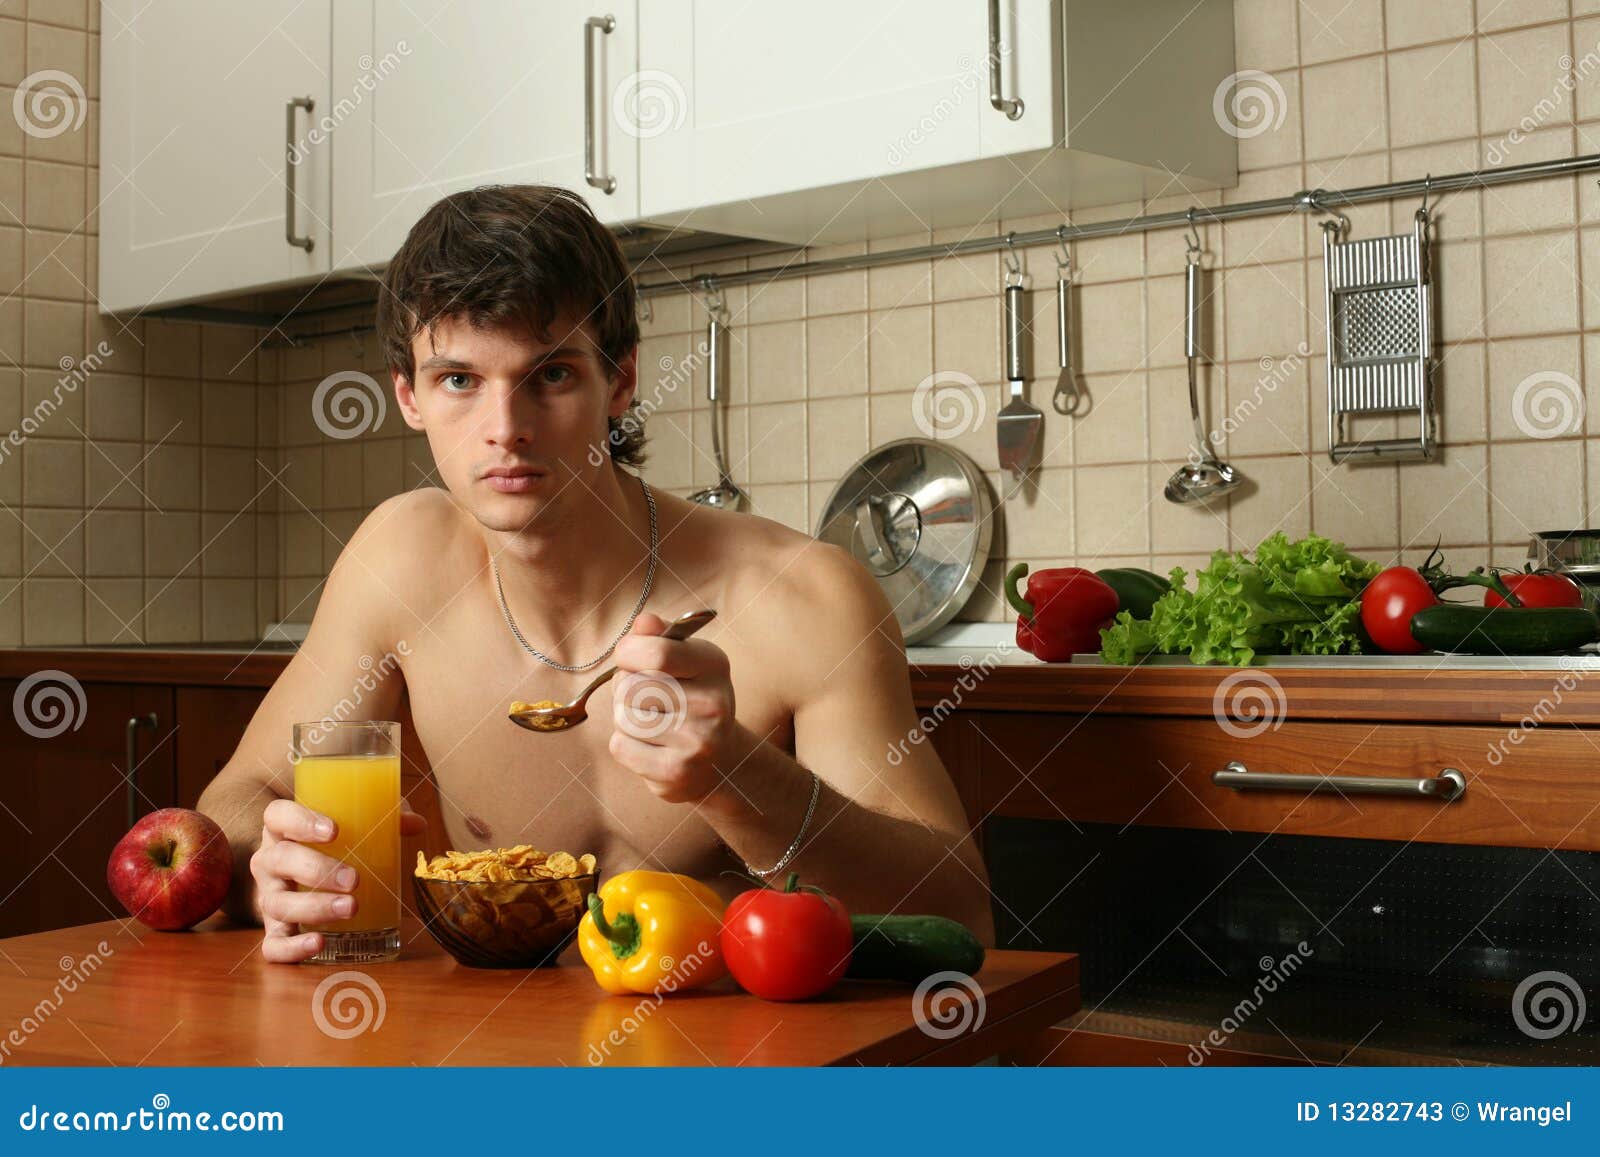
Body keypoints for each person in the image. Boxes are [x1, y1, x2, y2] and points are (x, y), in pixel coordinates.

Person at [197, 185, 993, 963]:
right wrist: (260, 876)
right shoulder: (401, 560)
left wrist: (734, 775)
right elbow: (235, 802)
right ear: (409, 396)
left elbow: (960, 917)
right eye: (459, 380)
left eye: (550, 376)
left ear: (620, 381)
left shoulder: (806, 596)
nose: (505, 430)